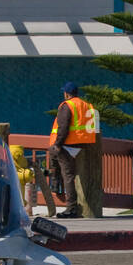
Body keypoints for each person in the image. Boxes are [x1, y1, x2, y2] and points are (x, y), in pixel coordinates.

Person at [49, 81, 98, 218]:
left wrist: (58, 144)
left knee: (68, 176)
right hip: (84, 145)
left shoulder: (67, 106)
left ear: (66, 93)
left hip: (67, 145)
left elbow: (63, 128)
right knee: (64, 169)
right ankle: (55, 181)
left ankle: (71, 208)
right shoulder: (87, 106)